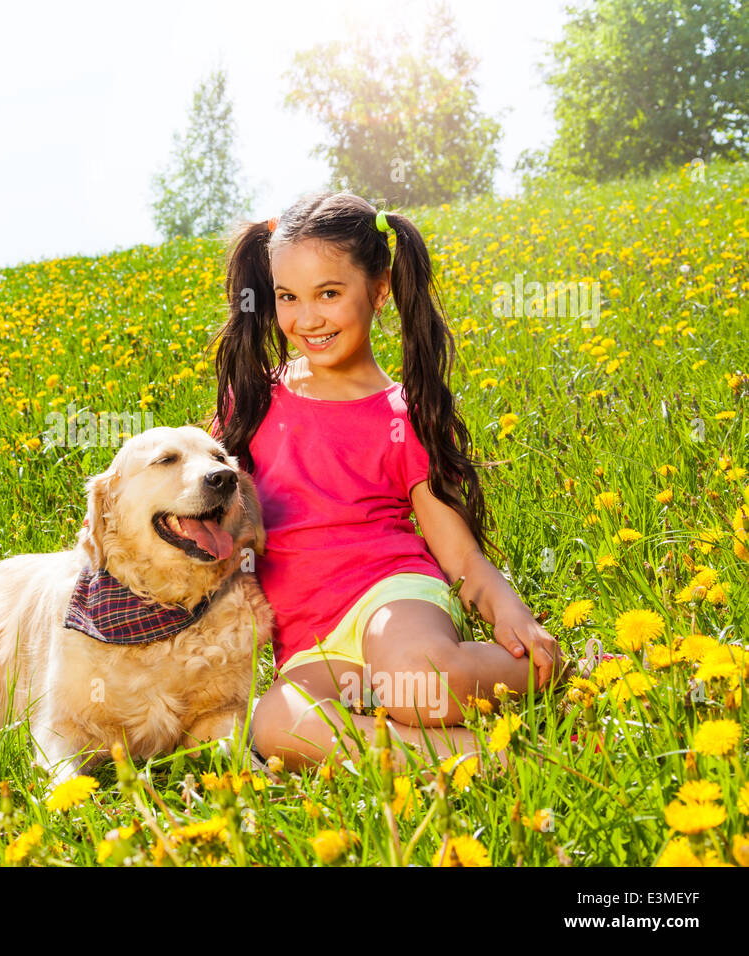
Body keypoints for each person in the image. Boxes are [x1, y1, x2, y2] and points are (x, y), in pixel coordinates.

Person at [204, 192, 568, 773]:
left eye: (329, 293)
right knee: (276, 723)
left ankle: (539, 668)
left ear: (378, 291)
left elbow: (459, 554)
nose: (307, 318)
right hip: (311, 640)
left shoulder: (406, 414)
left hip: (391, 595)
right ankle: (467, 756)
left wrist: (509, 610)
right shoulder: (252, 401)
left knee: (415, 684)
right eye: (287, 298)